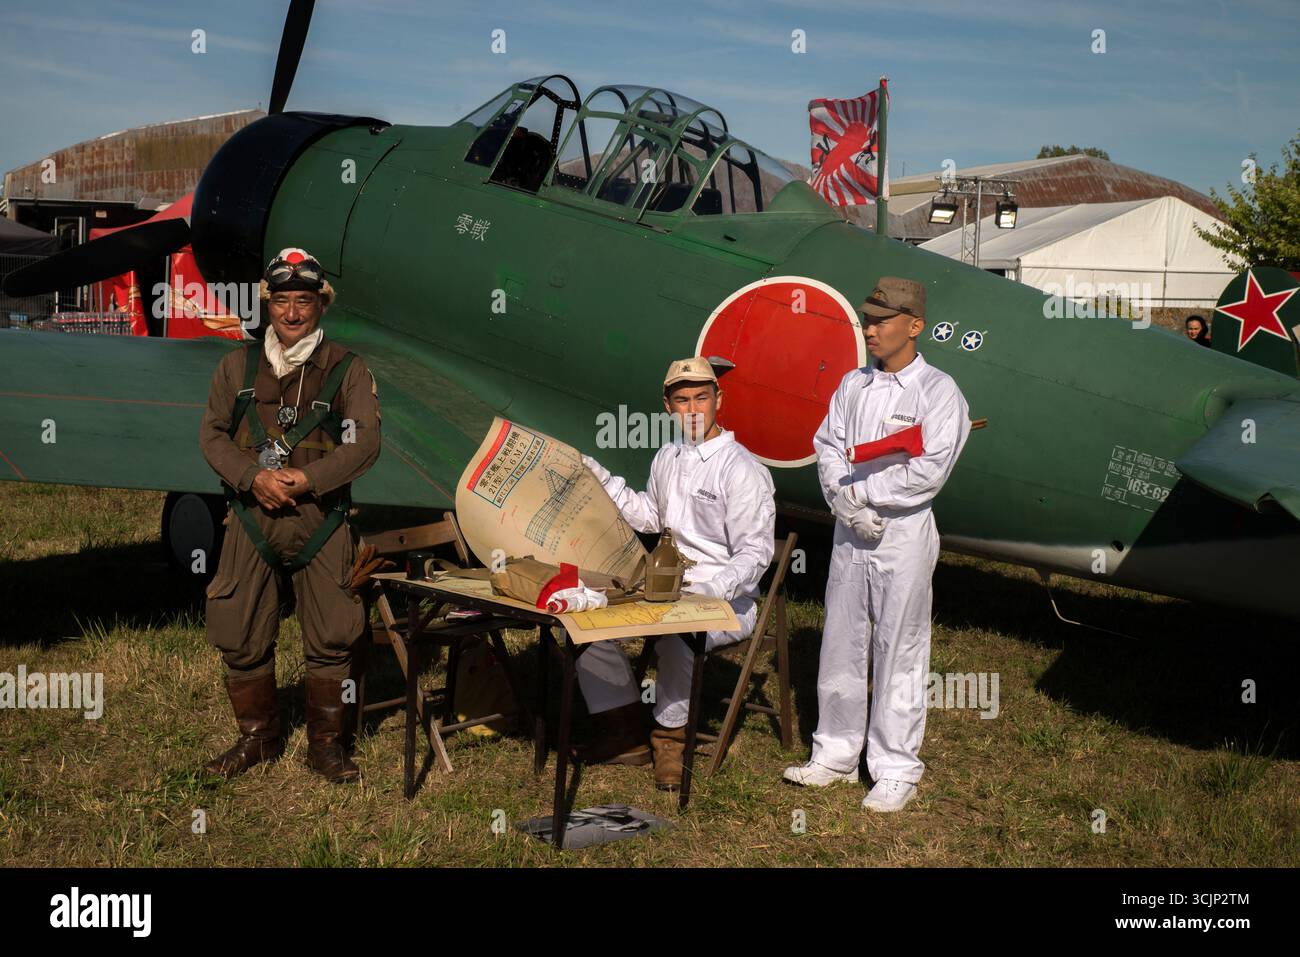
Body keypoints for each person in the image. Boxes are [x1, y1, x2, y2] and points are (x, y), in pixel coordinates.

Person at [784, 276, 970, 812]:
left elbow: (929, 471)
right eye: (868, 319)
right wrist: (844, 505)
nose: (870, 329)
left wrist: (862, 493)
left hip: (903, 535)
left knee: (900, 647)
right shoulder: (852, 385)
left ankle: (895, 766)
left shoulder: (939, 392)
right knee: (842, 638)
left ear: (914, 326)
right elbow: (827, 447)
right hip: (850, 532)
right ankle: (836, 753)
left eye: (881, 320)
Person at [198, 247, 381, 783]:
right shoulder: (236, 365)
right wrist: (252, 477)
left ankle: (326, 746)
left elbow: (365, 442)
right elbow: (211, 433)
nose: (292, 313)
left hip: (320, 519)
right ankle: (258, 738)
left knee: (333, 635)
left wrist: (307, 480)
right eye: (282, 301)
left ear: (321, 304)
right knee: (238, 630)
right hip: (252, 518)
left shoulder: (349, 370)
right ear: (268, 304)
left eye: (304, 301)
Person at [578, 356, 776, 790]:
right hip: (664, 588)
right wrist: (600, 478)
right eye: (682, 400)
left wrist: (708, 590)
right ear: (667, 406)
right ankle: (623, 729)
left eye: (701, 398)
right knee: (583, 621)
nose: (692, 409)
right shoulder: (668, 456)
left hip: (728, 602)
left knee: (678, 635)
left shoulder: (742, 469)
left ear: (718, 400)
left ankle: (669, 740)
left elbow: (755, 554)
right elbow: (650, 517)